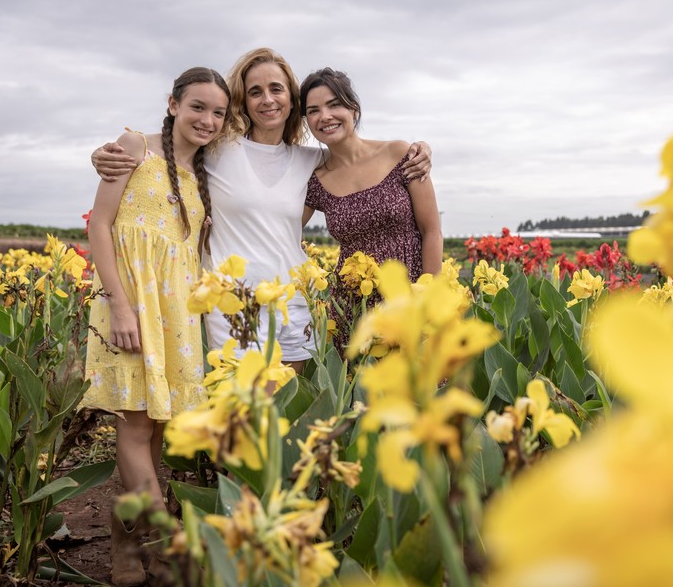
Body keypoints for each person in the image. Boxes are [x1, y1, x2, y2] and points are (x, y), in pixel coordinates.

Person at [92, 48, 432, 372]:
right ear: (243, 101)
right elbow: (169, 146)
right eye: (255, 92)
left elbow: (356, 162)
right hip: (235, 305)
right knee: (246, 411)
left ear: (291, 100)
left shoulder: (313, 162)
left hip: (295, 304)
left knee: (285, 409)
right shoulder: (216, 149)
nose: (267, 99)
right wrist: (109, 152)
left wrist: (420, 148)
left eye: (276, 89)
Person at [81, 67, 231, 586]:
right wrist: (119, 305)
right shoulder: (133, 146)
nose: (207, 119)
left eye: (217, 112)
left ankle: (124, 550)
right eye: (197, 107)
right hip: (130, 304)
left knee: (160, 433)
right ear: (172, 104)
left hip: (178, 313)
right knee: (136, 426)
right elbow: (99, 224)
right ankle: (167, 544)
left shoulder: (206, 173)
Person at [300, 68, 442, 349]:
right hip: (355, 308)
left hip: (410, 295)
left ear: (353, 109)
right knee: (359, 391)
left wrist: (429, 297)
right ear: (307, 121)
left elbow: (432, 231)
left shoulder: (400, 153)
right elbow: (280, 227)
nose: (325, 116)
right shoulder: (315, 180)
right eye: (313, 110)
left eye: (334, 104)